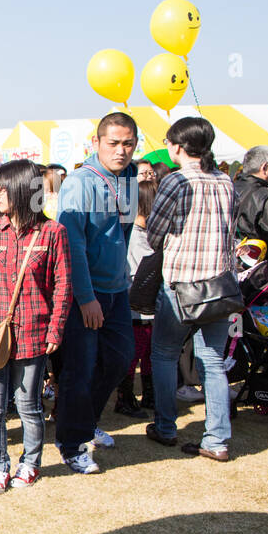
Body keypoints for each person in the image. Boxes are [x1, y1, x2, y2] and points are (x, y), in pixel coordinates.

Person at [0, 160, 71, 492]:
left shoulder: (53, 233)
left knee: (28, 405)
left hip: (33, 334)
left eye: (1, 188)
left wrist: (55, 329)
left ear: (23, 189)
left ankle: (30, 463)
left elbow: (63, 286)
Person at [145, 117, 237, 461]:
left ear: (178, 147)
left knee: (165, 355)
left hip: (181, 285)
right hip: (220, 285)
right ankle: (216, 440)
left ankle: (167, 427)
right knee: (213, 363)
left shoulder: (176, 181)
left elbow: (154, 234)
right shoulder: (226, 181)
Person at [53, 112, 138, 473]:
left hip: (118, 289)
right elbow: (72, 246)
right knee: (80, 369)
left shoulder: (130, 177)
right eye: (114, 143)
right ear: (96, 143)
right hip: (85, 293)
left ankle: (84, 422)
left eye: (128, 143)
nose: (121, 151)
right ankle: (71, 444)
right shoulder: (79, 183)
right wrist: (86, 298)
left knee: (121, 359)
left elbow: (126, 231)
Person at [117, 178, 158, 418]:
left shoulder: (145, 232)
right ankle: (125, 396)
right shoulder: (132, 235)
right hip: (135, 305)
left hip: (149, 305)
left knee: (149, 351)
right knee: (134, 353)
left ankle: (150, 393)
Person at [232, 145, 268, 267]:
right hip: (265, 268)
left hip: (235, 264)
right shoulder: (266, 195)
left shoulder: (232, 187)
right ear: (265, 167)